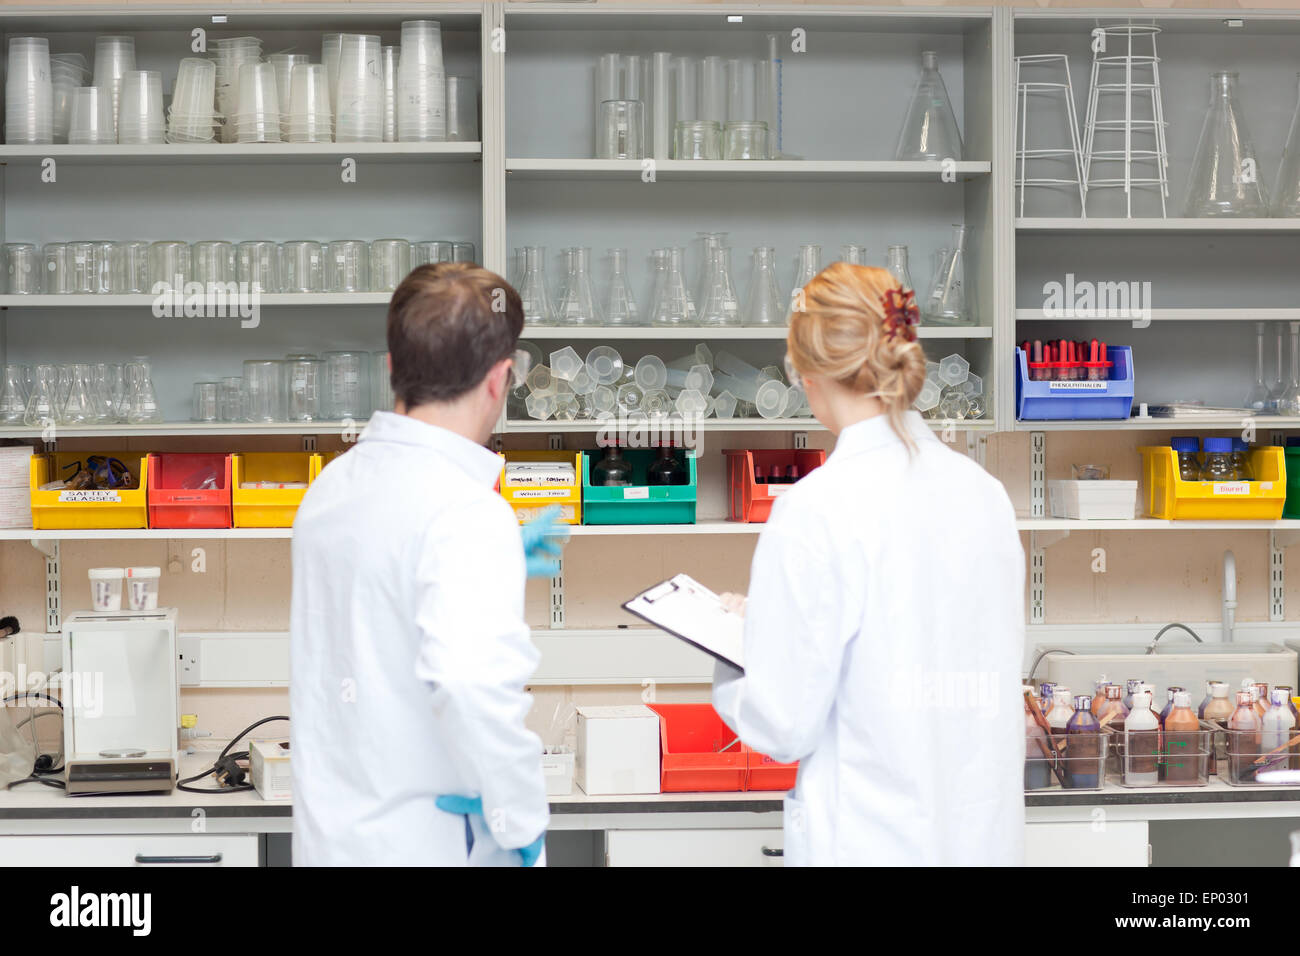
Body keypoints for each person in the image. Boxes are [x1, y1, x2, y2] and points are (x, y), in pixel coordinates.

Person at [712, 263, 1025, 866]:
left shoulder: (816, 507)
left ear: (806, 372)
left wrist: (738, 649)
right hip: (979, 844)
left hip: (870, 843)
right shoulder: (984, 494)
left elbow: (782, 726)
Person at [290, 262, 558, 866]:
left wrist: (489, 563)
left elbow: (376, 601)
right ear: (500, 379)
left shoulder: (329, 489)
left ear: (392, 367)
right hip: (428, 848)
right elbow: (469, 685)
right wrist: (520, 822)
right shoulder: (466, 511)